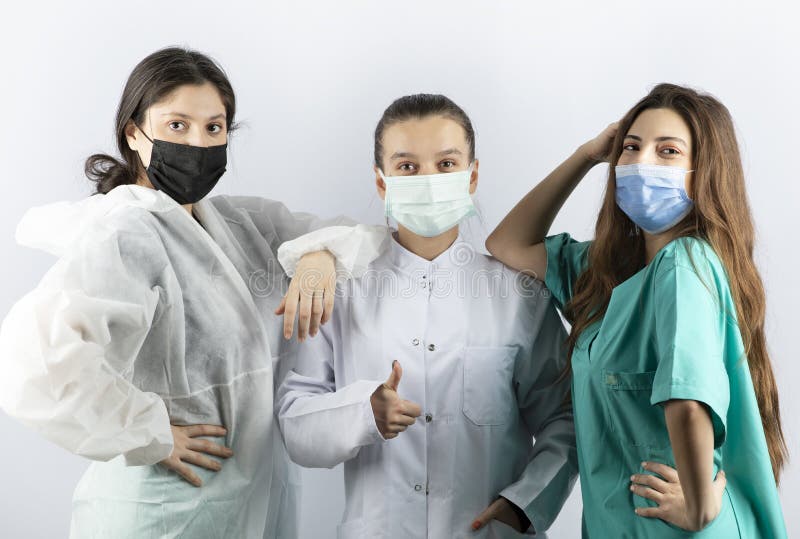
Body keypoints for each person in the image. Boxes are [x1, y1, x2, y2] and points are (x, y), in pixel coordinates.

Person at [0, 47, 386, 538]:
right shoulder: (127, 235)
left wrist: (316, 257)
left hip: (249, 505)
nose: (198, 142)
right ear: (134, 134)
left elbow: (366, 239)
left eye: (214, 127)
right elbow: (34, 364)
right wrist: (150, 433)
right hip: (162, 510)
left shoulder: (237, 223)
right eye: (177, 125)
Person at [485, 83, 788, 538]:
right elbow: (508, 244)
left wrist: (701, 507)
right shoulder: (605, 271)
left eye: (668, 151)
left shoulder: (687, 263)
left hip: (676, 527)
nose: (642, 161)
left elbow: (688, 397)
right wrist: (587, 155)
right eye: (631, 147)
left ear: (703, 172)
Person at [277, 94, 577, 538]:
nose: (429, 179)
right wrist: (364, 412)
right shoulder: (341, 291)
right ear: (382, 183)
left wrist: (525, 504)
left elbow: (564, 416)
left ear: (472, 176)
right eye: (408, 167)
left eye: (446, 164)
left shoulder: (519, 293)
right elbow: (295, 421)